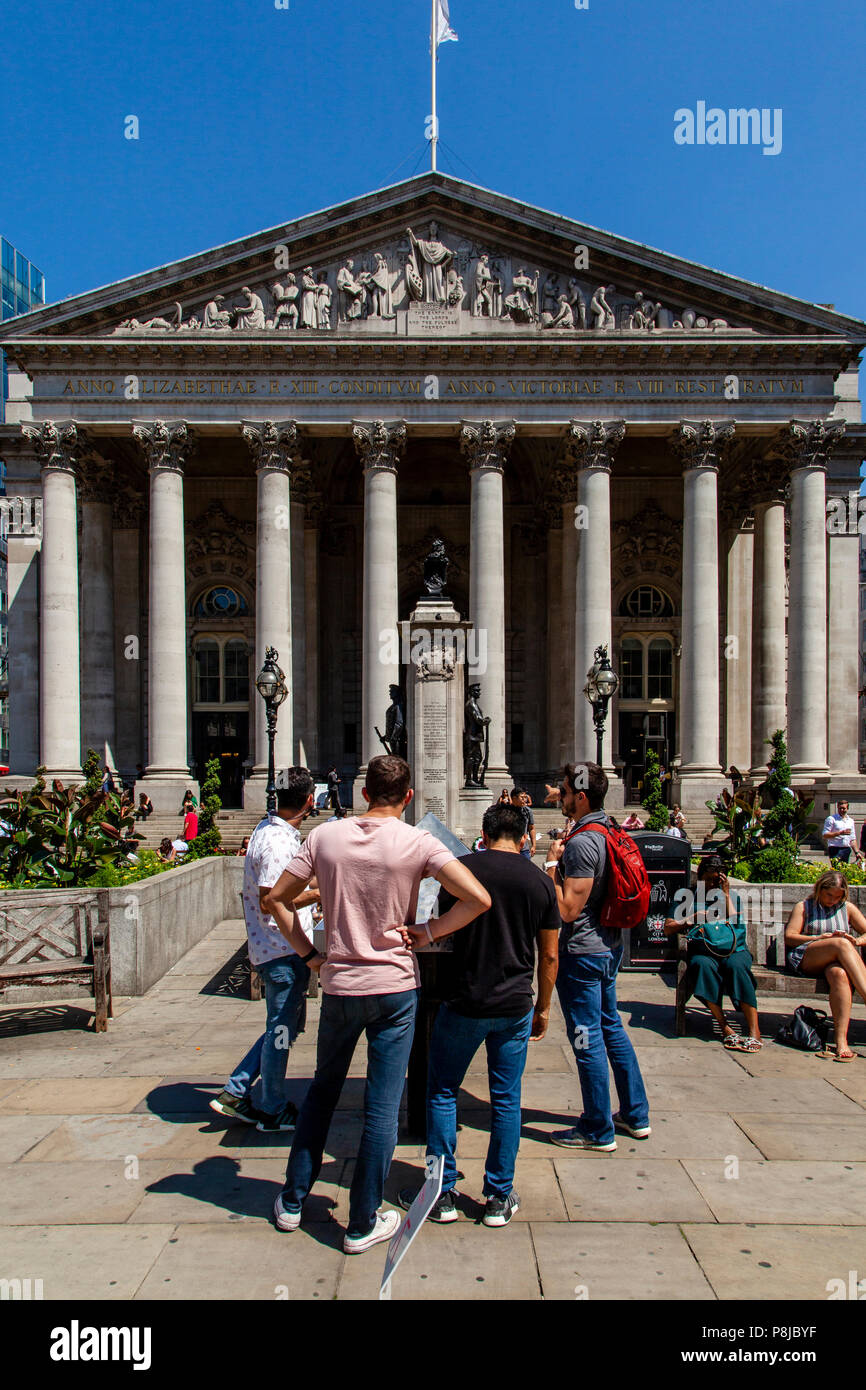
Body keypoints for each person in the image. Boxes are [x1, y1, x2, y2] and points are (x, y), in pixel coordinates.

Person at [266, 755, 491, 1254]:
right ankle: (362, 1221)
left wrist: (309, 956)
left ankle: (292, 1200)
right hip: (393, 986)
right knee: (382, 1107)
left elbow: (276, 900)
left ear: (364, 792)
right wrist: (429, 931)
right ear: (408, 797)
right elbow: (478, 898)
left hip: (342, 984)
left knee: (323, 1093)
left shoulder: (326, 836)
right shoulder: (417, 842)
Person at [398, 802, 560, 1227]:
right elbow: (549, 955)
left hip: (464, 998)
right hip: (513, 1004)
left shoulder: (462, 870)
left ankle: (443, 1190)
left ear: (484, 835)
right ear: (524, 837)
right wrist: (543, 1006)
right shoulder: (540, 883)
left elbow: (445, 920)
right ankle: (498, 1195)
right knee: (506, 1100)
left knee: (442, 1091)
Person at [544, 762, 650, 1150]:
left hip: (583, 953)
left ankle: (596, 1128)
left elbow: (568, 909)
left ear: (582, 796)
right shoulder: (610, 828)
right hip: (607, 947)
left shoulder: (585, 841)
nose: (562, 797)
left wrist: (552, 865)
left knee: (586, 1038)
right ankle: (635, 1115)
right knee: (611, 1028)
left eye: (567, 791)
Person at [210, 770, 322, 1131]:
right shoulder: (275, 841)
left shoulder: (274, 833)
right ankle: (272, 1108)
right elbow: (270, 901)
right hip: (282, 950)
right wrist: (319, 894)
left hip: (281, 949)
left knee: (284, 1027)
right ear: (310, 801)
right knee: (281, 1031)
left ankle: (237, 1090)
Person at [663, 855, 761, 1051]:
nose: (710, 883)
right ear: (698, 877)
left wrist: (725, 895)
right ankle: (725, 1027)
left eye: (716, 879)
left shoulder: (731, 898)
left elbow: (736, 923)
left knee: (737, 967)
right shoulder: (686, 897)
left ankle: (754, 1030)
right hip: (703, 950)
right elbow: (667, 928)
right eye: (706, 879)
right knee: (702, 966)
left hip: (732, 949)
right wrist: (690, 919)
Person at [784, 870, 866, 1062]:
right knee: (840, 943)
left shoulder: (847, 908)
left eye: (838, 897)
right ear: (820, 889)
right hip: (808, 956)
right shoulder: (804, 907)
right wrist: (819, 937)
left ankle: (841, 1041)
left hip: (836, 961)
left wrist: (856, 940)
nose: (832, 900)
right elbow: (790, 936)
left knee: (840, 974)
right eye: (829, 895)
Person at [510, 788, 536, 860]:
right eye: (522, 797)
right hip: (509, 849)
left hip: (524, 849)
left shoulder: (527, 811)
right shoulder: (506, 811)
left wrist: (533, 845)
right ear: (514, 798)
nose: (525, 800)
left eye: (525, 797)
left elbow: (531, 828)